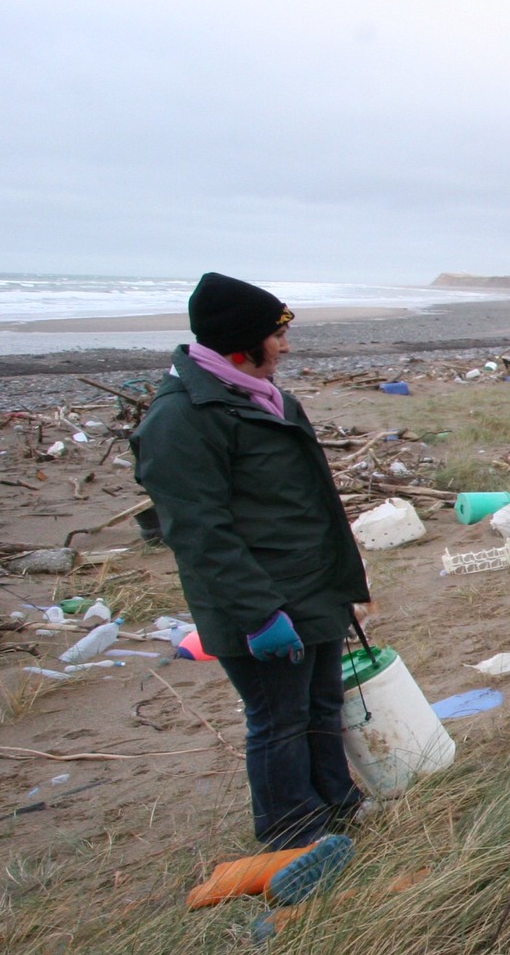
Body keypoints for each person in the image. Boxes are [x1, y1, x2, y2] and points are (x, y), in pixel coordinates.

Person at [133, 272, 373, 862]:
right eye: (276, 335)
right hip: (260, 602)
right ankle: (292, 835)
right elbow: (198, 533)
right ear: (240, 344)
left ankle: (337, 805)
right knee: (278, 719)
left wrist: (343, 579)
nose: (285, 346)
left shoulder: (269, 399)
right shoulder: (181, 420)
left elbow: (314, 501)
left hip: (313, 588)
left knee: (322, 704)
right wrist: (259, 613)